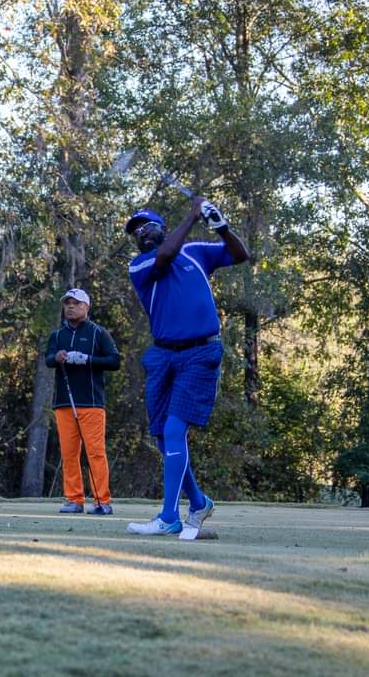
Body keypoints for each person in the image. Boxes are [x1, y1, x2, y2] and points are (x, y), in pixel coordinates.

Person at [123, 197, 248, 535]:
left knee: (175, 430)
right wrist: (194, 215)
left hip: (200, 353)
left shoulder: (195, 252)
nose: (142, 233)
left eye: (147, 225)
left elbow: (239, 254)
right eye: (136, 231)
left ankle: (168, 518)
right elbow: (165, 256)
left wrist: (221, 226)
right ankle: (198, 502)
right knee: (164, 437)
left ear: (163, 228)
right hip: (163, 356)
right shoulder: (141, 265)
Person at [45, 288, 121, 515]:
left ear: (86, 307)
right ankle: (74, 500)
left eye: (76, 303)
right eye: (67, 303)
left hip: (92, 403)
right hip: (64, 403)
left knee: (95, 453)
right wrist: (57, 357)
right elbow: (48, 359)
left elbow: (114, 361)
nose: (70, 307)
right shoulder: (57, 336)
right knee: (69, 454)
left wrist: (88, 360)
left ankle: (101, 501)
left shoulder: (98, 333)